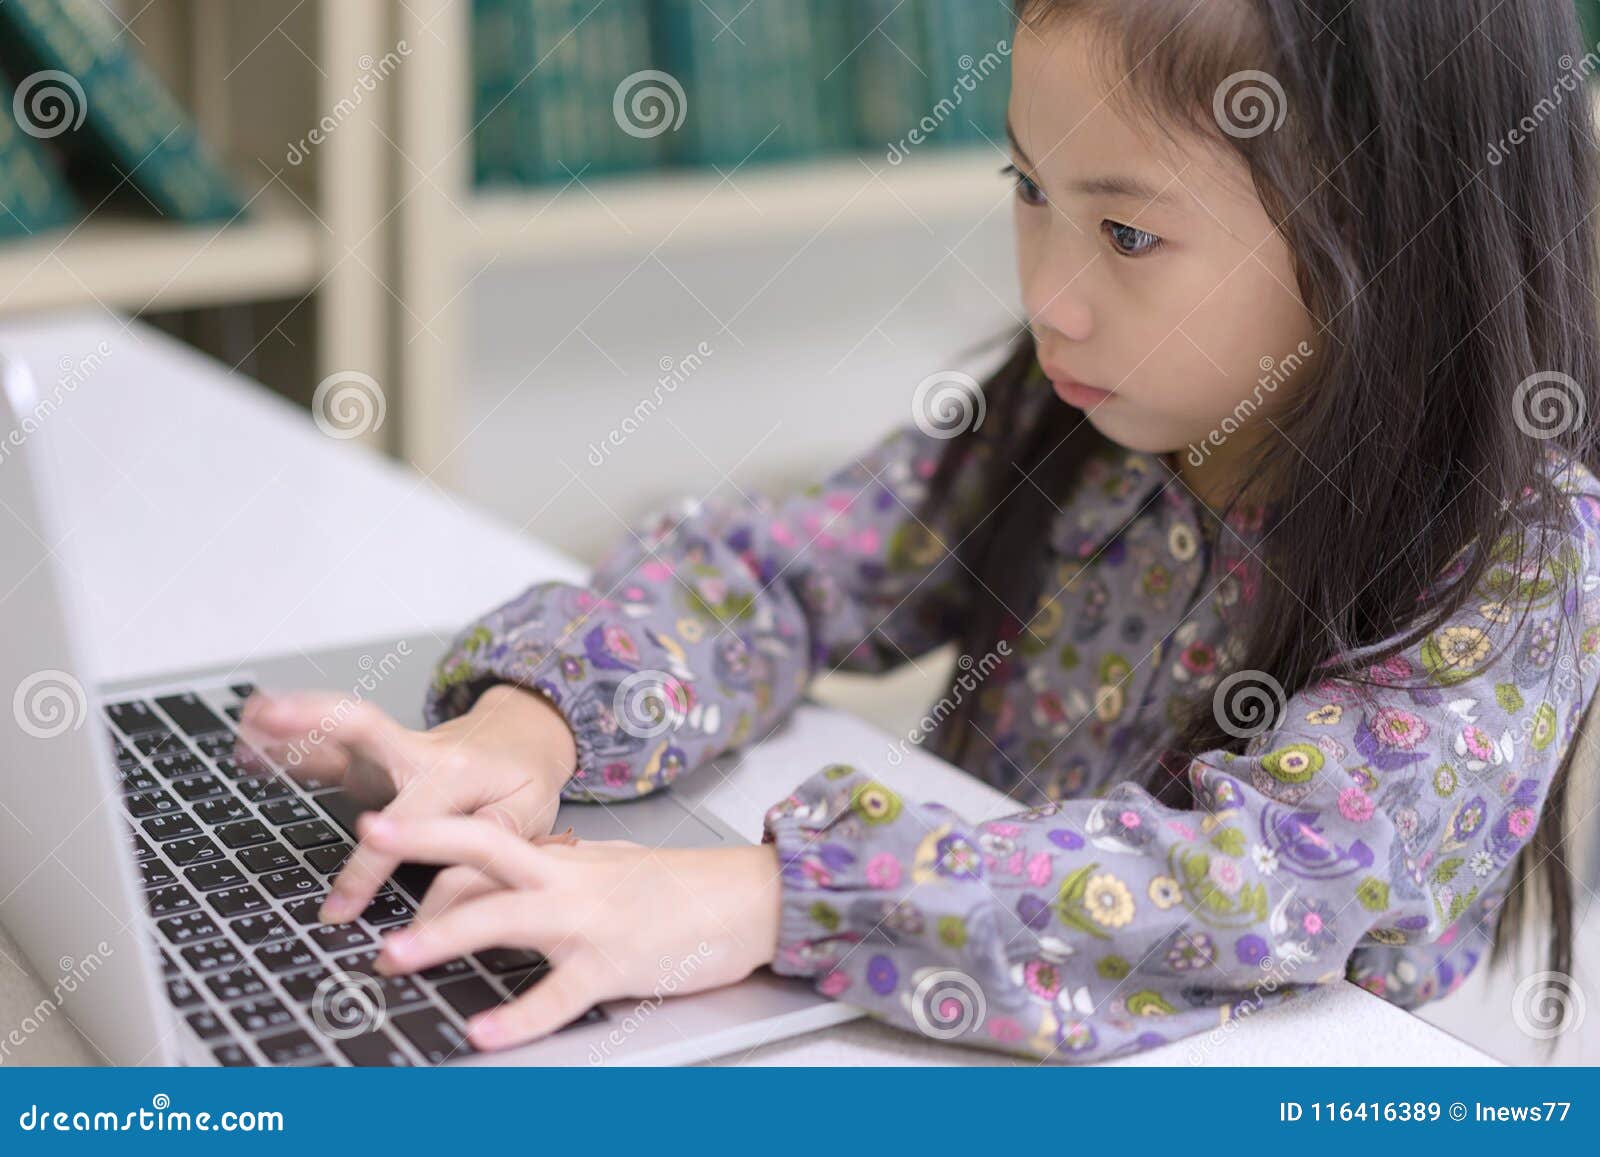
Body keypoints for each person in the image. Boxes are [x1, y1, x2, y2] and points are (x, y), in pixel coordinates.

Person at [241, 0, 1600, 1062]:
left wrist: (765, 899)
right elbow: (774, 569)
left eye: (1127, 233)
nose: (1051, 297)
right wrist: (528, 723)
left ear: (1387, 227)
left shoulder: (1519, 563)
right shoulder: (1061, 415)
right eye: (1028, 187)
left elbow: (1256, 884)